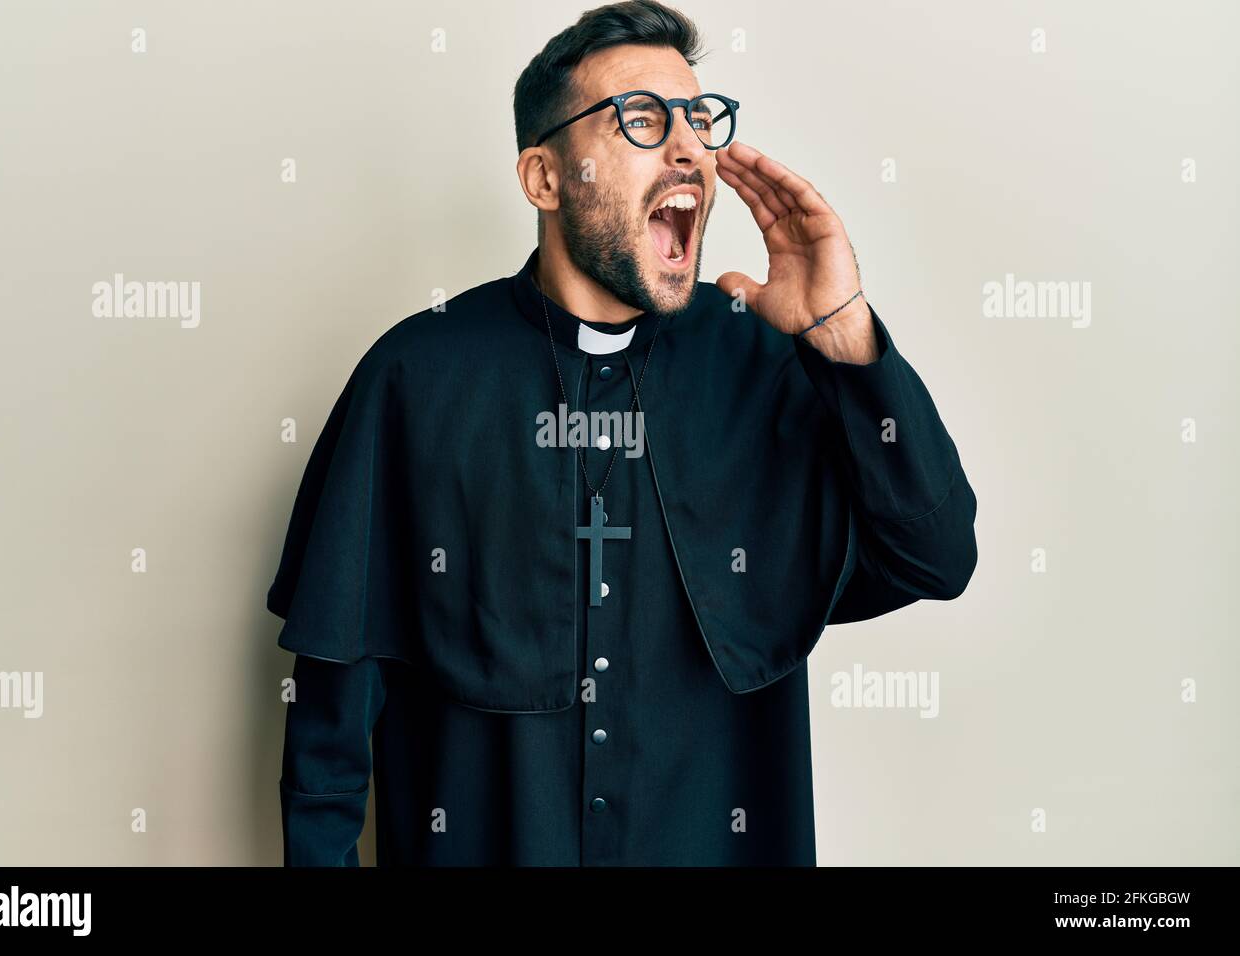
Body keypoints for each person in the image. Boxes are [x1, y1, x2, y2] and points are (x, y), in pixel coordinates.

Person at [268, 0, 977, 866]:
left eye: (698, 118)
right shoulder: (416, 378)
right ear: (544, 178)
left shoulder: (770, 365)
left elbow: (937, 557)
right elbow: (329, 733)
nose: (689, 147)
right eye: (641, 119)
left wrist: (844, 334)